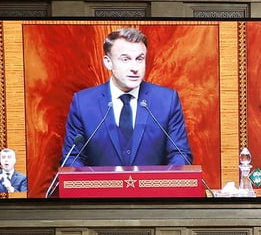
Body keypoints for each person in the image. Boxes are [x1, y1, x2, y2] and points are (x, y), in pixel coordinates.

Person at [62, 27, 193, 168]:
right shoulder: (83, 103)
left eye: (139, 59)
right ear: (108, 62)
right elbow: (73, 158)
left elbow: (180, 154)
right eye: (125, 59)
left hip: (154, 183)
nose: (134, 68)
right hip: (99, 183)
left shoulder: (167, 100)